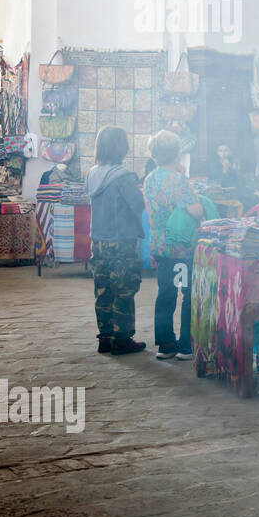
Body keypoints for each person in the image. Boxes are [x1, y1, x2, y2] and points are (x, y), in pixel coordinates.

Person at [143, 130, 204, 361]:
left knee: (165, 292)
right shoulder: (178, 180)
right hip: (181, 249)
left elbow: (150, 212)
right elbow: (195, 210)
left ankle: (166, 345)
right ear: (177, 154)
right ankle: (186, 346)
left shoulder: (150, 178)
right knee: (187, 293)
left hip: (160, 246)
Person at [87, 126, 146, 355]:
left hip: (98, 241)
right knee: (124, 289)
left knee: (103, 290)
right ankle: (122, 340)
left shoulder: (92, 174)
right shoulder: (124, 177)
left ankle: (105, 337)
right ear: (122, 148)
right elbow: (138, 205)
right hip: (122, 242)